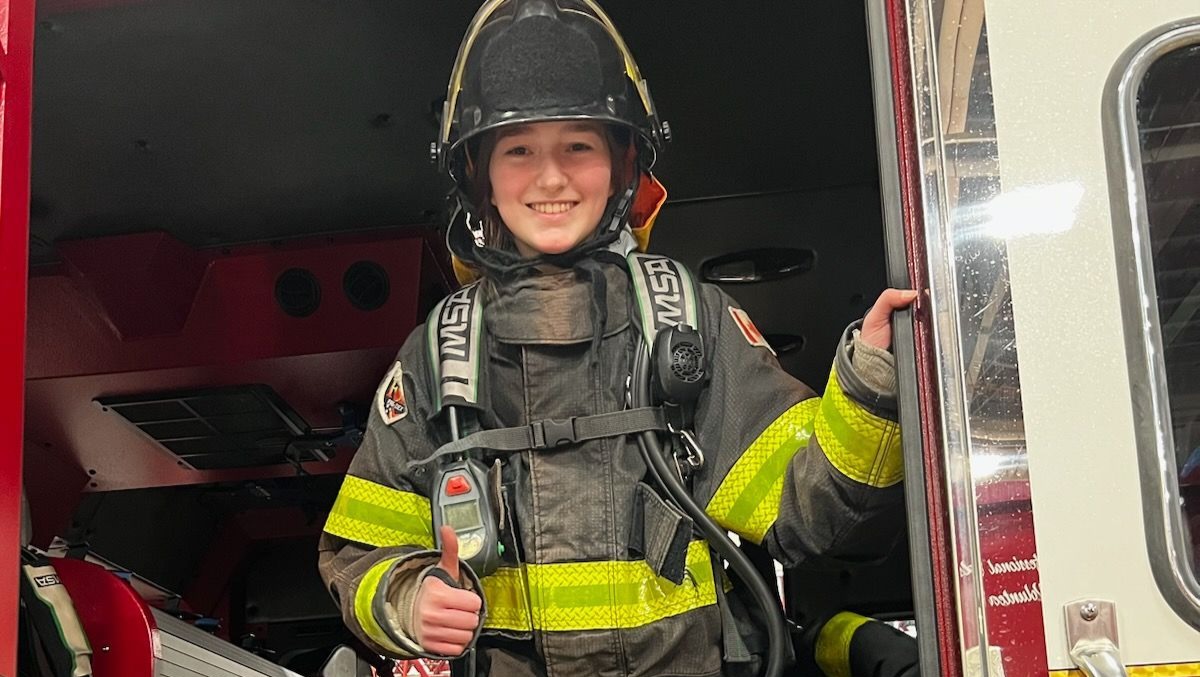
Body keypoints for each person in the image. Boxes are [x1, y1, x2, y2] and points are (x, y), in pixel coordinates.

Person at [318, 1, 918, 675]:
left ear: (623, 162)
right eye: (518, 149)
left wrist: (871, 380)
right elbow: (360, 550)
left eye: (578, 145)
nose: (551, 176)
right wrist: (407, 597)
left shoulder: (689, 322)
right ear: (478, 174)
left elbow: (814, 517)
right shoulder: (438, 357)